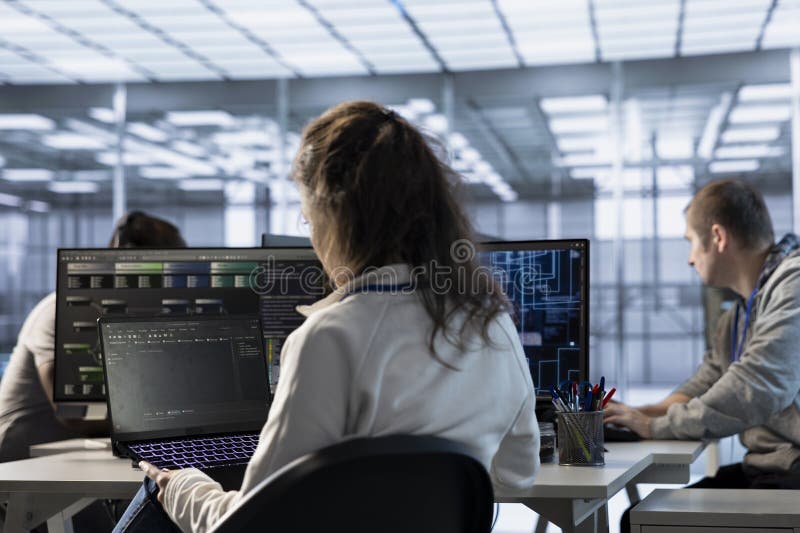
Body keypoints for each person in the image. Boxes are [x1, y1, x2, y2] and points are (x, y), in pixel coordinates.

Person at [113, 101, 541, 532]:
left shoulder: (329, 337)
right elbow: (516, 476)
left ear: (337, 218)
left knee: (162, 486)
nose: (313, 235)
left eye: (309, 218)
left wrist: (181, 484)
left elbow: (248, 527)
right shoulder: (493, 324)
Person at [605, 179, 800, 531]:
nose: (690, 258)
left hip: (793, 476)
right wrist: (639, 413)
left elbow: (757, 387)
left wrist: (654, 426)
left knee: (641, 523)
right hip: (767, 470)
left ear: (718, 238)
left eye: (692, 243)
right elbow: (706, 382)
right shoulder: (739, 314)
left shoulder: (793, 286)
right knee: (632, 518)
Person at [0, 211, 187, 462]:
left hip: (78, 455)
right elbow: (73, 416)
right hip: (25, 460)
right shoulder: (60, 311)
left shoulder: (136, 316)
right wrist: (172, 421)